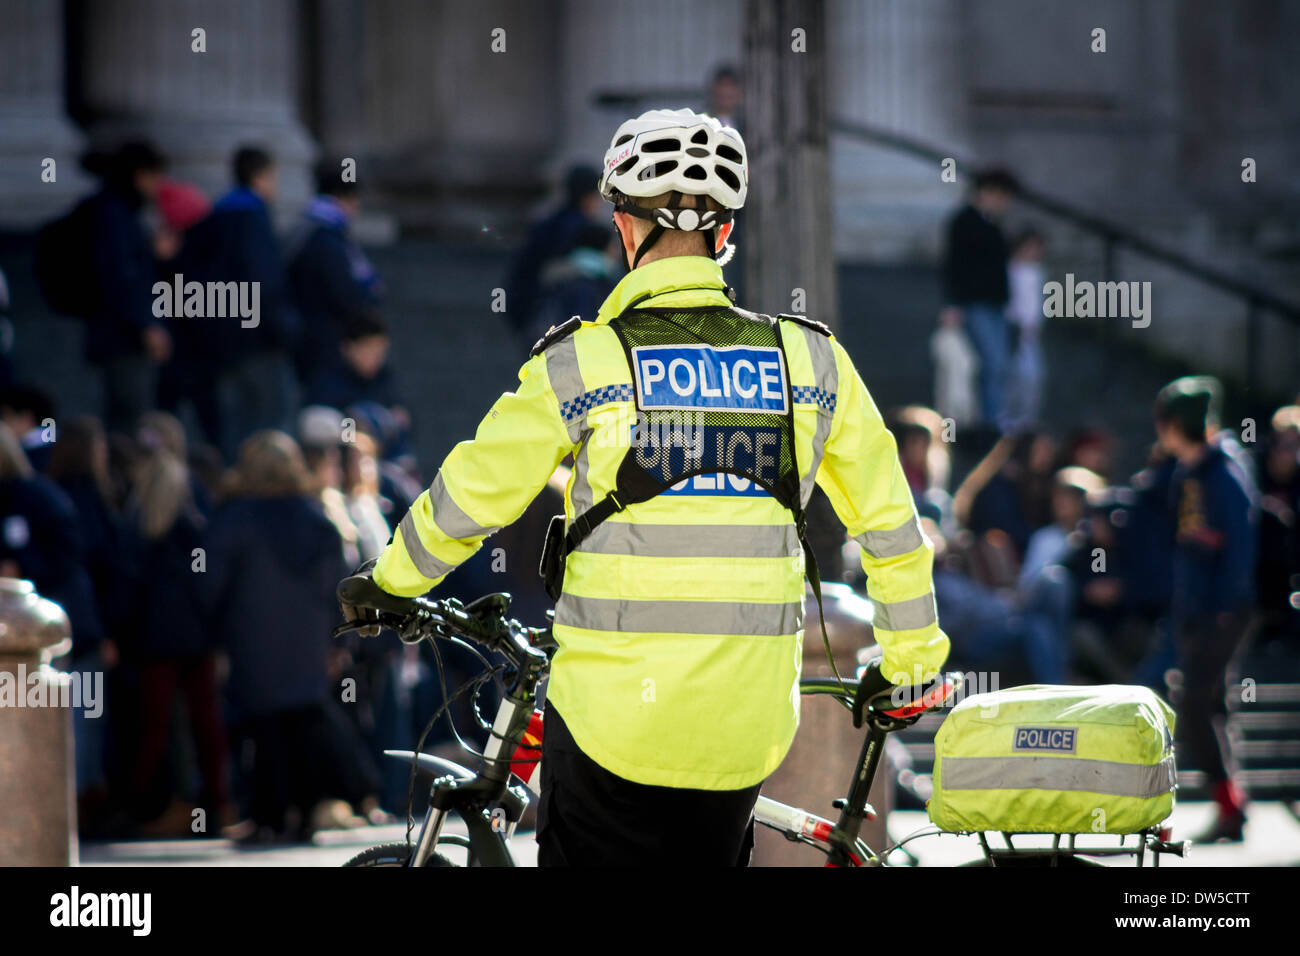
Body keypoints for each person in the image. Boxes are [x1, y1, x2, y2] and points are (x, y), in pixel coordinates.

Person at [340, 108, 950, 867]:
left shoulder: (584, 362)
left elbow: (475, 492)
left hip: (609, 724)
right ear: (726, 235)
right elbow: (895, 527)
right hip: (743, 726)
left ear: (624, 229)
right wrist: (913, 660)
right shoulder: (812, 363)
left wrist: (390, 581)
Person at [1153, 376, 1257, 842]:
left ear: (1176, 424)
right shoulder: (1186, 473)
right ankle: (1233, 805)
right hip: (1196, 610)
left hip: (1223, 611)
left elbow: (1239, 548)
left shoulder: (1224, 472)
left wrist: (1222, 608)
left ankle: (1228, 802)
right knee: (1210, 703)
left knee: (1193, 704)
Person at [184, 146, 300, 459]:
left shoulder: (214, 218)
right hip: (258, 340)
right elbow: (264, 280)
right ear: (260, 177)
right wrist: (282, 330)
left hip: (219, 341)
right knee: (270, 424)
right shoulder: (254, 218)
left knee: (232, 427)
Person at [82, 142, 172, 432]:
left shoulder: (118, 212)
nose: (158, 186)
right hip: (123, 337)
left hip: (118, 333)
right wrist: (147, 325)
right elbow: (123, 276)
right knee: (131, 419)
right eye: (155, 177)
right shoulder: (115, 214)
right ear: (140, 175)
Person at [286, 160, 383, 386]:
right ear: (343, 197)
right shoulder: (328, 238)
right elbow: (345, 293)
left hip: (315, 337)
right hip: (324, 341)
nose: (357, 207)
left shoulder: (309, 230)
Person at [939, 168, 1020, 430]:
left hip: (993, 304)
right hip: (976, 304)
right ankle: (991, 420)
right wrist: (953, 303)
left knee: (997, 363)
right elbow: (954, 264)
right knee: (993, 363)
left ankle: (992, 417)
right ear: (989, 192)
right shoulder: (965, 222)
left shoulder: (990, 223)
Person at [503, 164, 606, 342]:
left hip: (528, 309)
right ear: (588, 196)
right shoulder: (577, 228)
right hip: (546, 313)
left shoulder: (550, 223)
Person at [1004, 227, 1047, 430]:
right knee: (1013, 375)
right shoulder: (1010, 271)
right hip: (1012, 331)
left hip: (1030, 335)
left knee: (1033, 375)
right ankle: (1007, 419)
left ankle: (1027, 420)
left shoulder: (1038, 272)